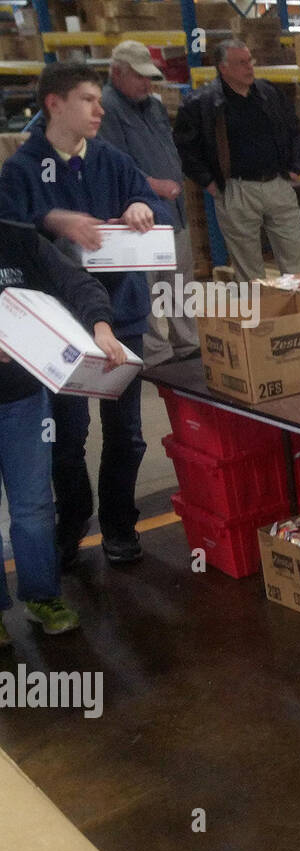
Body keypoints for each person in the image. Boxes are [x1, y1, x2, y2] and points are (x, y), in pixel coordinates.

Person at [0, 63, 171, 568]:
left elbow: (146, 200)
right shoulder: (22, 169)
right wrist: (52, 220)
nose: (100, 111)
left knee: (126, 433)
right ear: (54, 103)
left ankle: (120, 526)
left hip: (122, 314)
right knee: (67, 436)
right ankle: (72, 522)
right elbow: (8, 231)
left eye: (100, 100)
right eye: (88, 100)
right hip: (58, 328)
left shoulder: (110, 160)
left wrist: (141, 206)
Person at [0, 220, 127, 643]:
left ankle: (42, 596)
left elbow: (77, 283)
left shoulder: (18, 240)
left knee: (33, 507)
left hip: (21, 401)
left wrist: (101, 326)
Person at [97, 40, 199, 367]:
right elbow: (113, 163)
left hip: (174, 211)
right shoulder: (106, 109)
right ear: (117, 73)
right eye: (139, 76)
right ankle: (156, 352)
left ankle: (187, 343)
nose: (146, 83)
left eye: (149, 76)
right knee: (150, 285)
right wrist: (153, 186)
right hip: (138, 216)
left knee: (179, 280)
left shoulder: (153, 106)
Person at [173, 39, 300, 280]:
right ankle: (259, 314)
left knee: (297, 261)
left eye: (250, 61)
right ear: (223, 68)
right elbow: (186, 148)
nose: (249, 68)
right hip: (236, 190)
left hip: (277, 184)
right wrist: (209, 182)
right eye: (241, 63)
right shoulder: (202, 103)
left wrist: (295, 167)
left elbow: (294, 129)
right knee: (249, 270)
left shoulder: (269, 93)